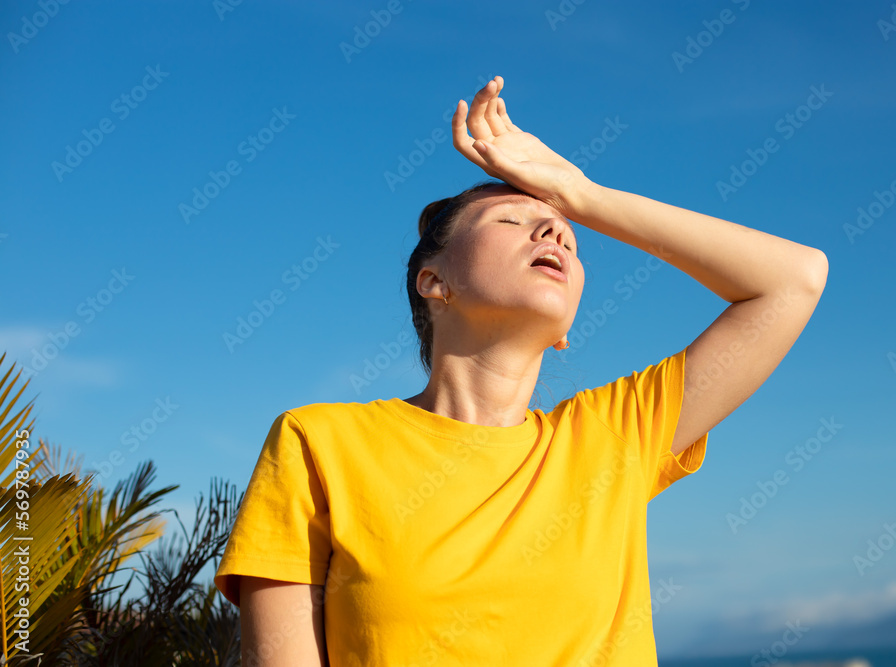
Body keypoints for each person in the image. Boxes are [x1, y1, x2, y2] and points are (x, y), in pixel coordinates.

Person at [214, 75, 828, 666]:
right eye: (510, 221)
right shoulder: (319, 443)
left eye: (569, 236)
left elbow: (793, 280)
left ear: (566, 332)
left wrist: (578, 193)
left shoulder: (615, 436)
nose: (553, 231)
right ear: (435, 282)